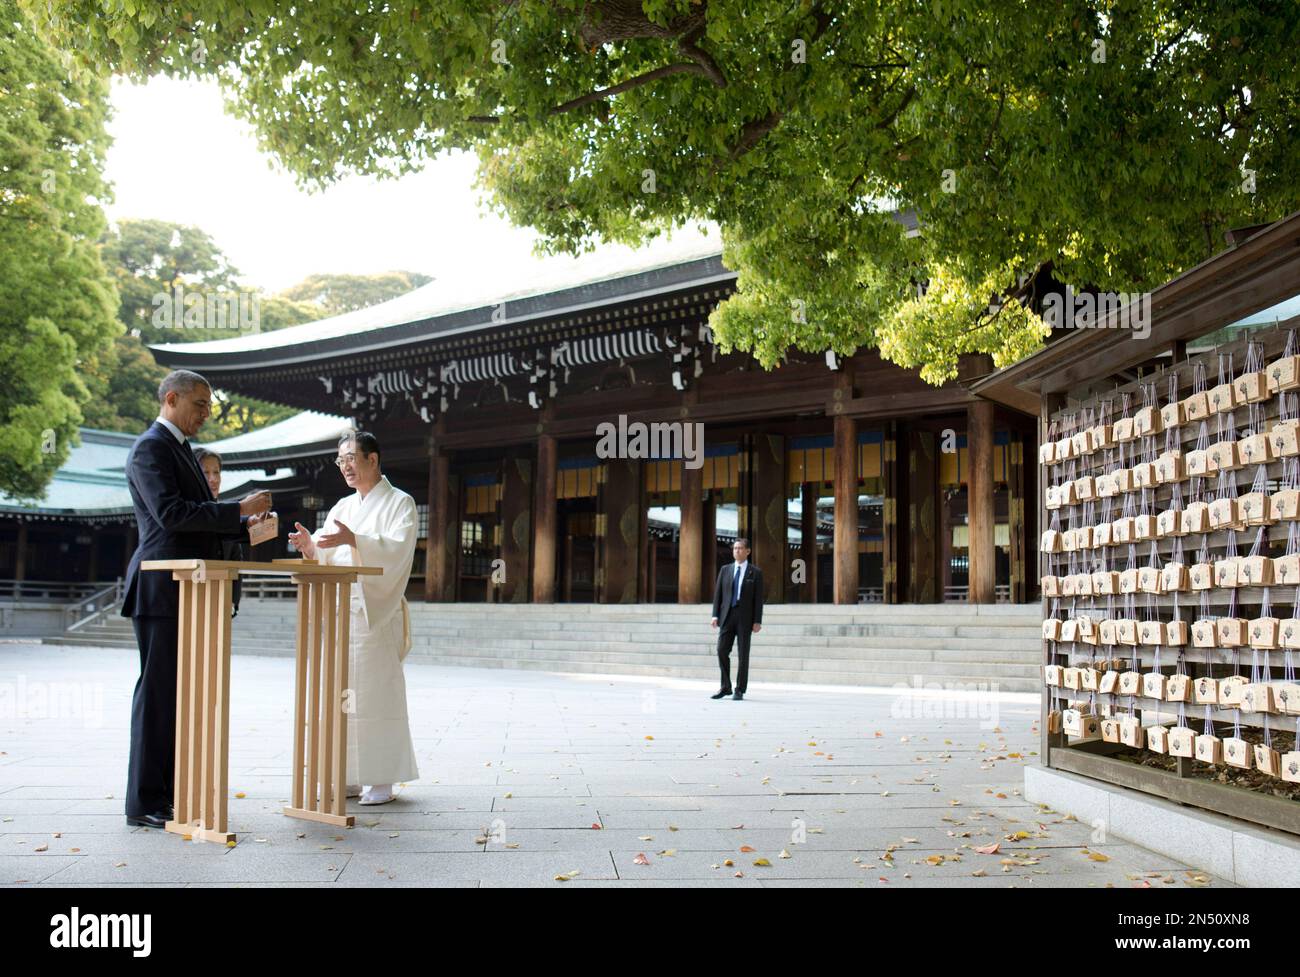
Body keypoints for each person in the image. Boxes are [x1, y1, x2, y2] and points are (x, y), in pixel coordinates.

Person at [120, 370, 272, 828]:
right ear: (171, 398)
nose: (207, 414)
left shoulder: (181, 449)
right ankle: (145, 801)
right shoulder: (152, 447)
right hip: (162, 585)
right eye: (200, 405)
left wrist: (247, 527)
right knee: (159, 694)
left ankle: (171, 790)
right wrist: (237, 510)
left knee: (182, 697)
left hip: (192, 586)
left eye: (209, 406)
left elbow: (196, 519)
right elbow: (169, 515)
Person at [287, 431, 419, 805]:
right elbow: (327, 555)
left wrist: (356, 541)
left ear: (372, 459)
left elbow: (397, 551)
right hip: (342, 611)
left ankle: (381, 779)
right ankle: (343, 772)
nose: (345, 466)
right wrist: (310, 546)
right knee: (341, 696)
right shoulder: (342, 508)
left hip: (374, 613)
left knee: (376, 696)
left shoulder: (400, 503)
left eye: (351, 458)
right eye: (340, 460)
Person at [194, 447, 247, 618]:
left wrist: (232, 602)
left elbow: (235, 562)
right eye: (206, 473)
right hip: (188, 596)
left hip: (219, 601)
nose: (213, 479)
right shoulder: (186, 514)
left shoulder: (228, 515)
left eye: (216, 472)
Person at [709, 537, 764, 701]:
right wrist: (715, 615)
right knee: (721, 650)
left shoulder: (755, 573)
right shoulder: (725, 570)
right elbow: (718, 595)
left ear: (748, 551)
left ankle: (740, 689)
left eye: (740, 548)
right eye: (734, 548)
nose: (737, 551)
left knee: (743, 653)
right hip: (727, 615)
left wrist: (757, 620)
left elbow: (758, 599)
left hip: (745, 617)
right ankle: (725, 686)